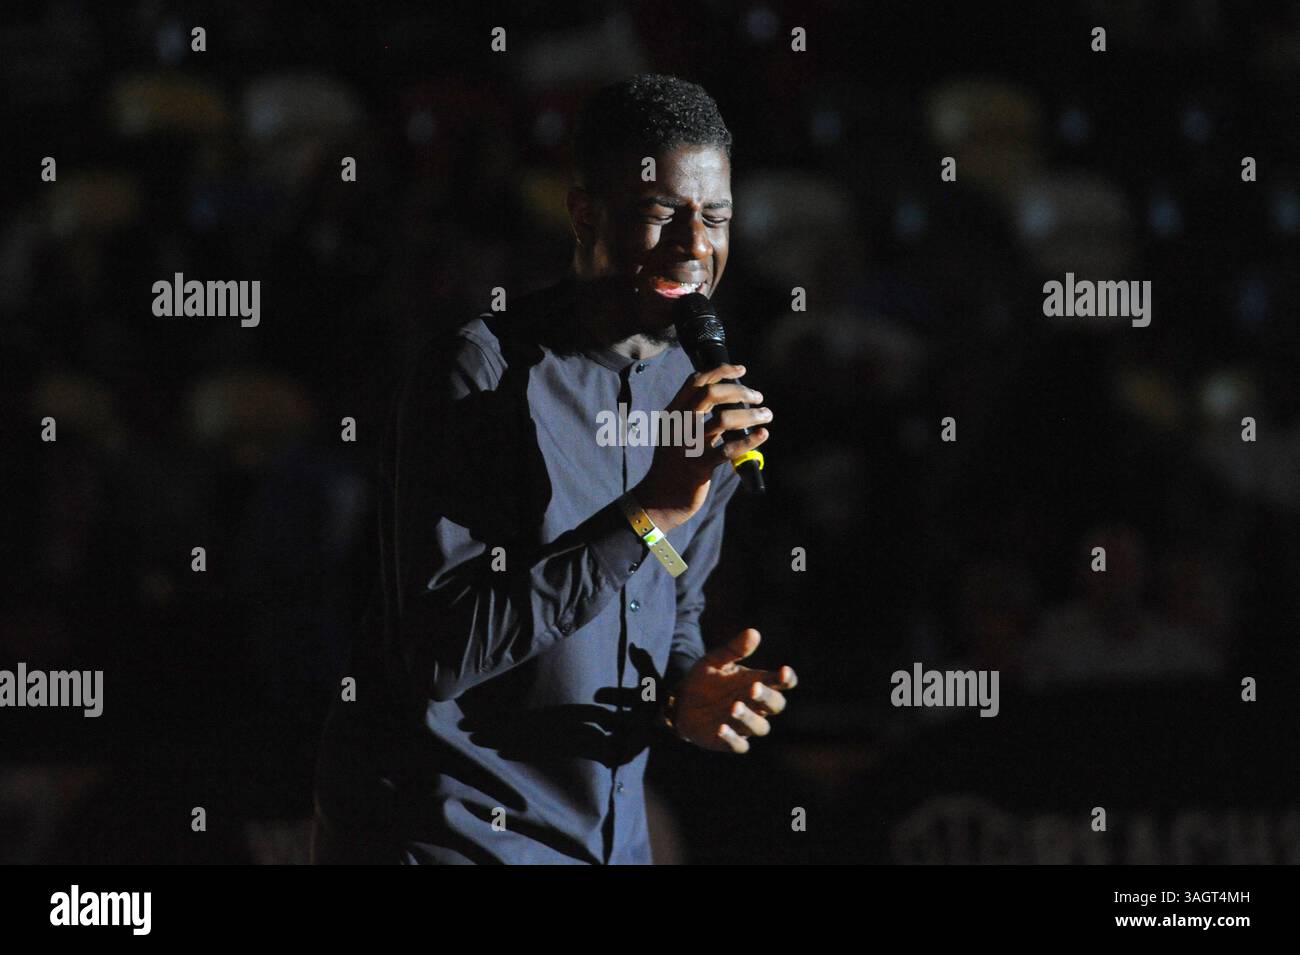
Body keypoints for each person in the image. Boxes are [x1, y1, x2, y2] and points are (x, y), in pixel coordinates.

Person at [311, 73, 797, 864]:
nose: (695, 246)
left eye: (715, 217)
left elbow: (670, 594)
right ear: (582, 213)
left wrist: (683, 693)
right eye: (658, 214)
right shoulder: (479, 375)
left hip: (604, 840)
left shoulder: (696, 396)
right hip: (453, 833)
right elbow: (442, 652)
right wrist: (649, 510)